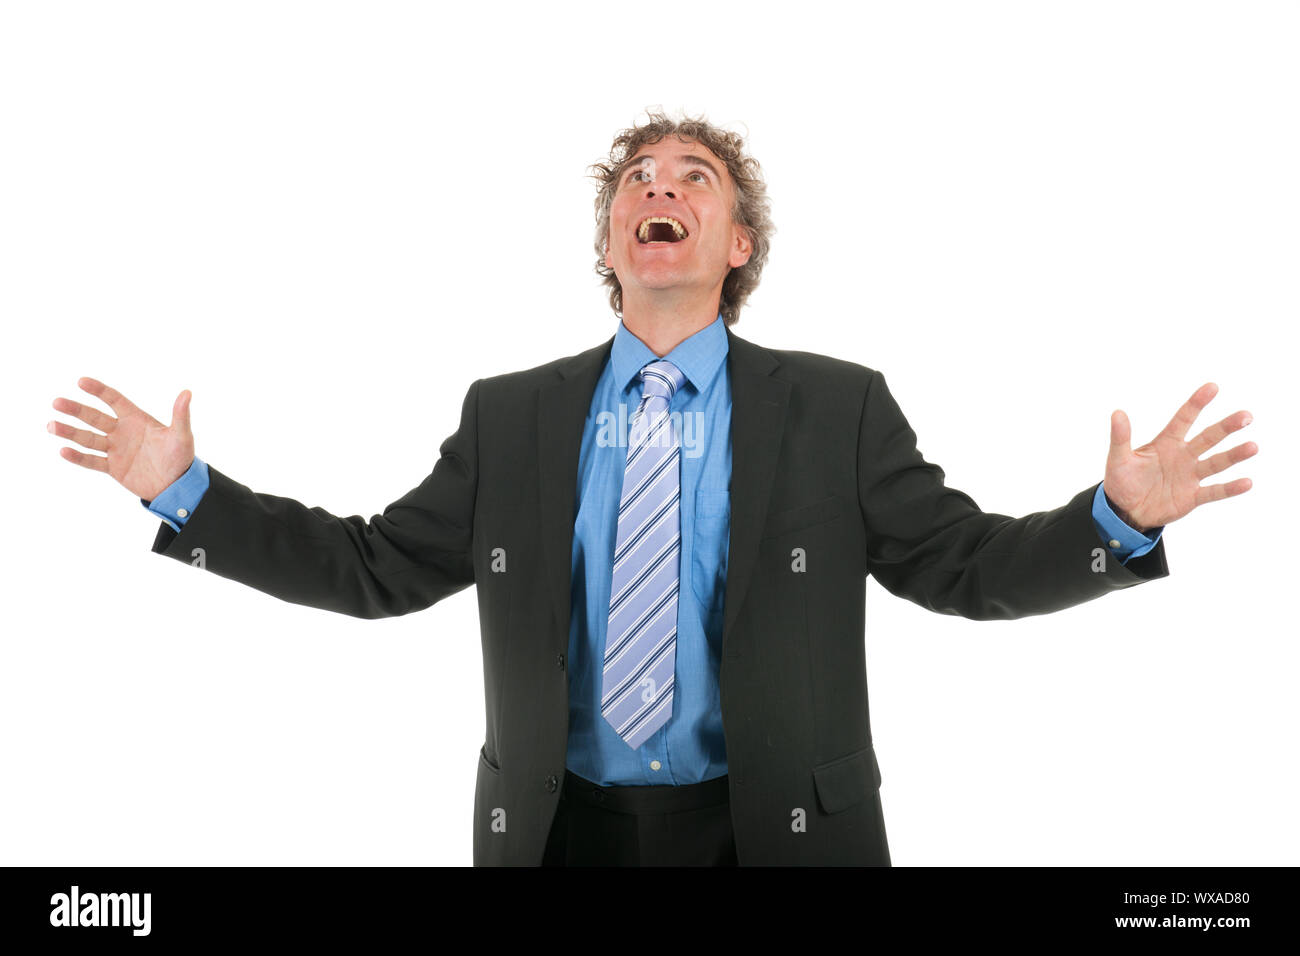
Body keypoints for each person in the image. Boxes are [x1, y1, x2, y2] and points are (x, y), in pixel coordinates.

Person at [47, 109, 1257, 866]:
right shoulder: (510, 412)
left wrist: (1118, 521)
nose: (655, 190)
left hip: (775, 829)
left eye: (691, 178)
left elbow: (965, 567)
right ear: (612, 241)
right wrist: (190, 493)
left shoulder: (834, 404)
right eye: (634, 179)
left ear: (737, 245)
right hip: (556, 829)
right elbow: (374, 568)